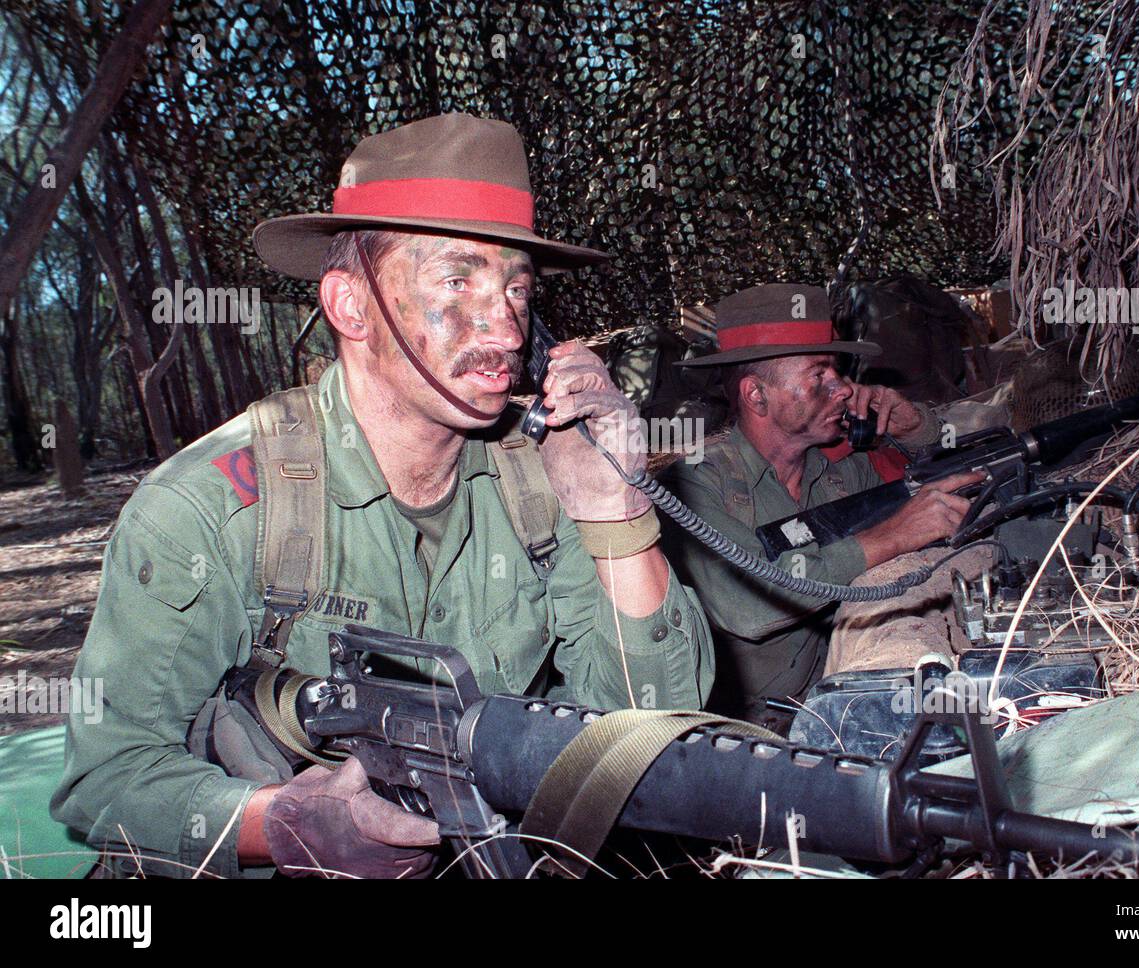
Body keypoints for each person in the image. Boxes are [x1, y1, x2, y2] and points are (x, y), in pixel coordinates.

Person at [51, 113, 714, 878]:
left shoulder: (548, 479)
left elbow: (650, 735)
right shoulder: (210, 510)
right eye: (458, 280)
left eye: (517, 288)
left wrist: (617, 514)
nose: (503, 324)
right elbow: (106, 778)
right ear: (350, 306)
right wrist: (283, 823)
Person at [664, 283, 982, 728]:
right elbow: (749, 607)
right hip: (739, 729)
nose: (845, 390)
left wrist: (915, 429)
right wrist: (891, 537)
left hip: (832, 698)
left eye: (838, 372)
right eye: (819, 376)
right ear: (757, 396)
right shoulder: (695, 485)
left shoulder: (841, 470)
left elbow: (952, 490)